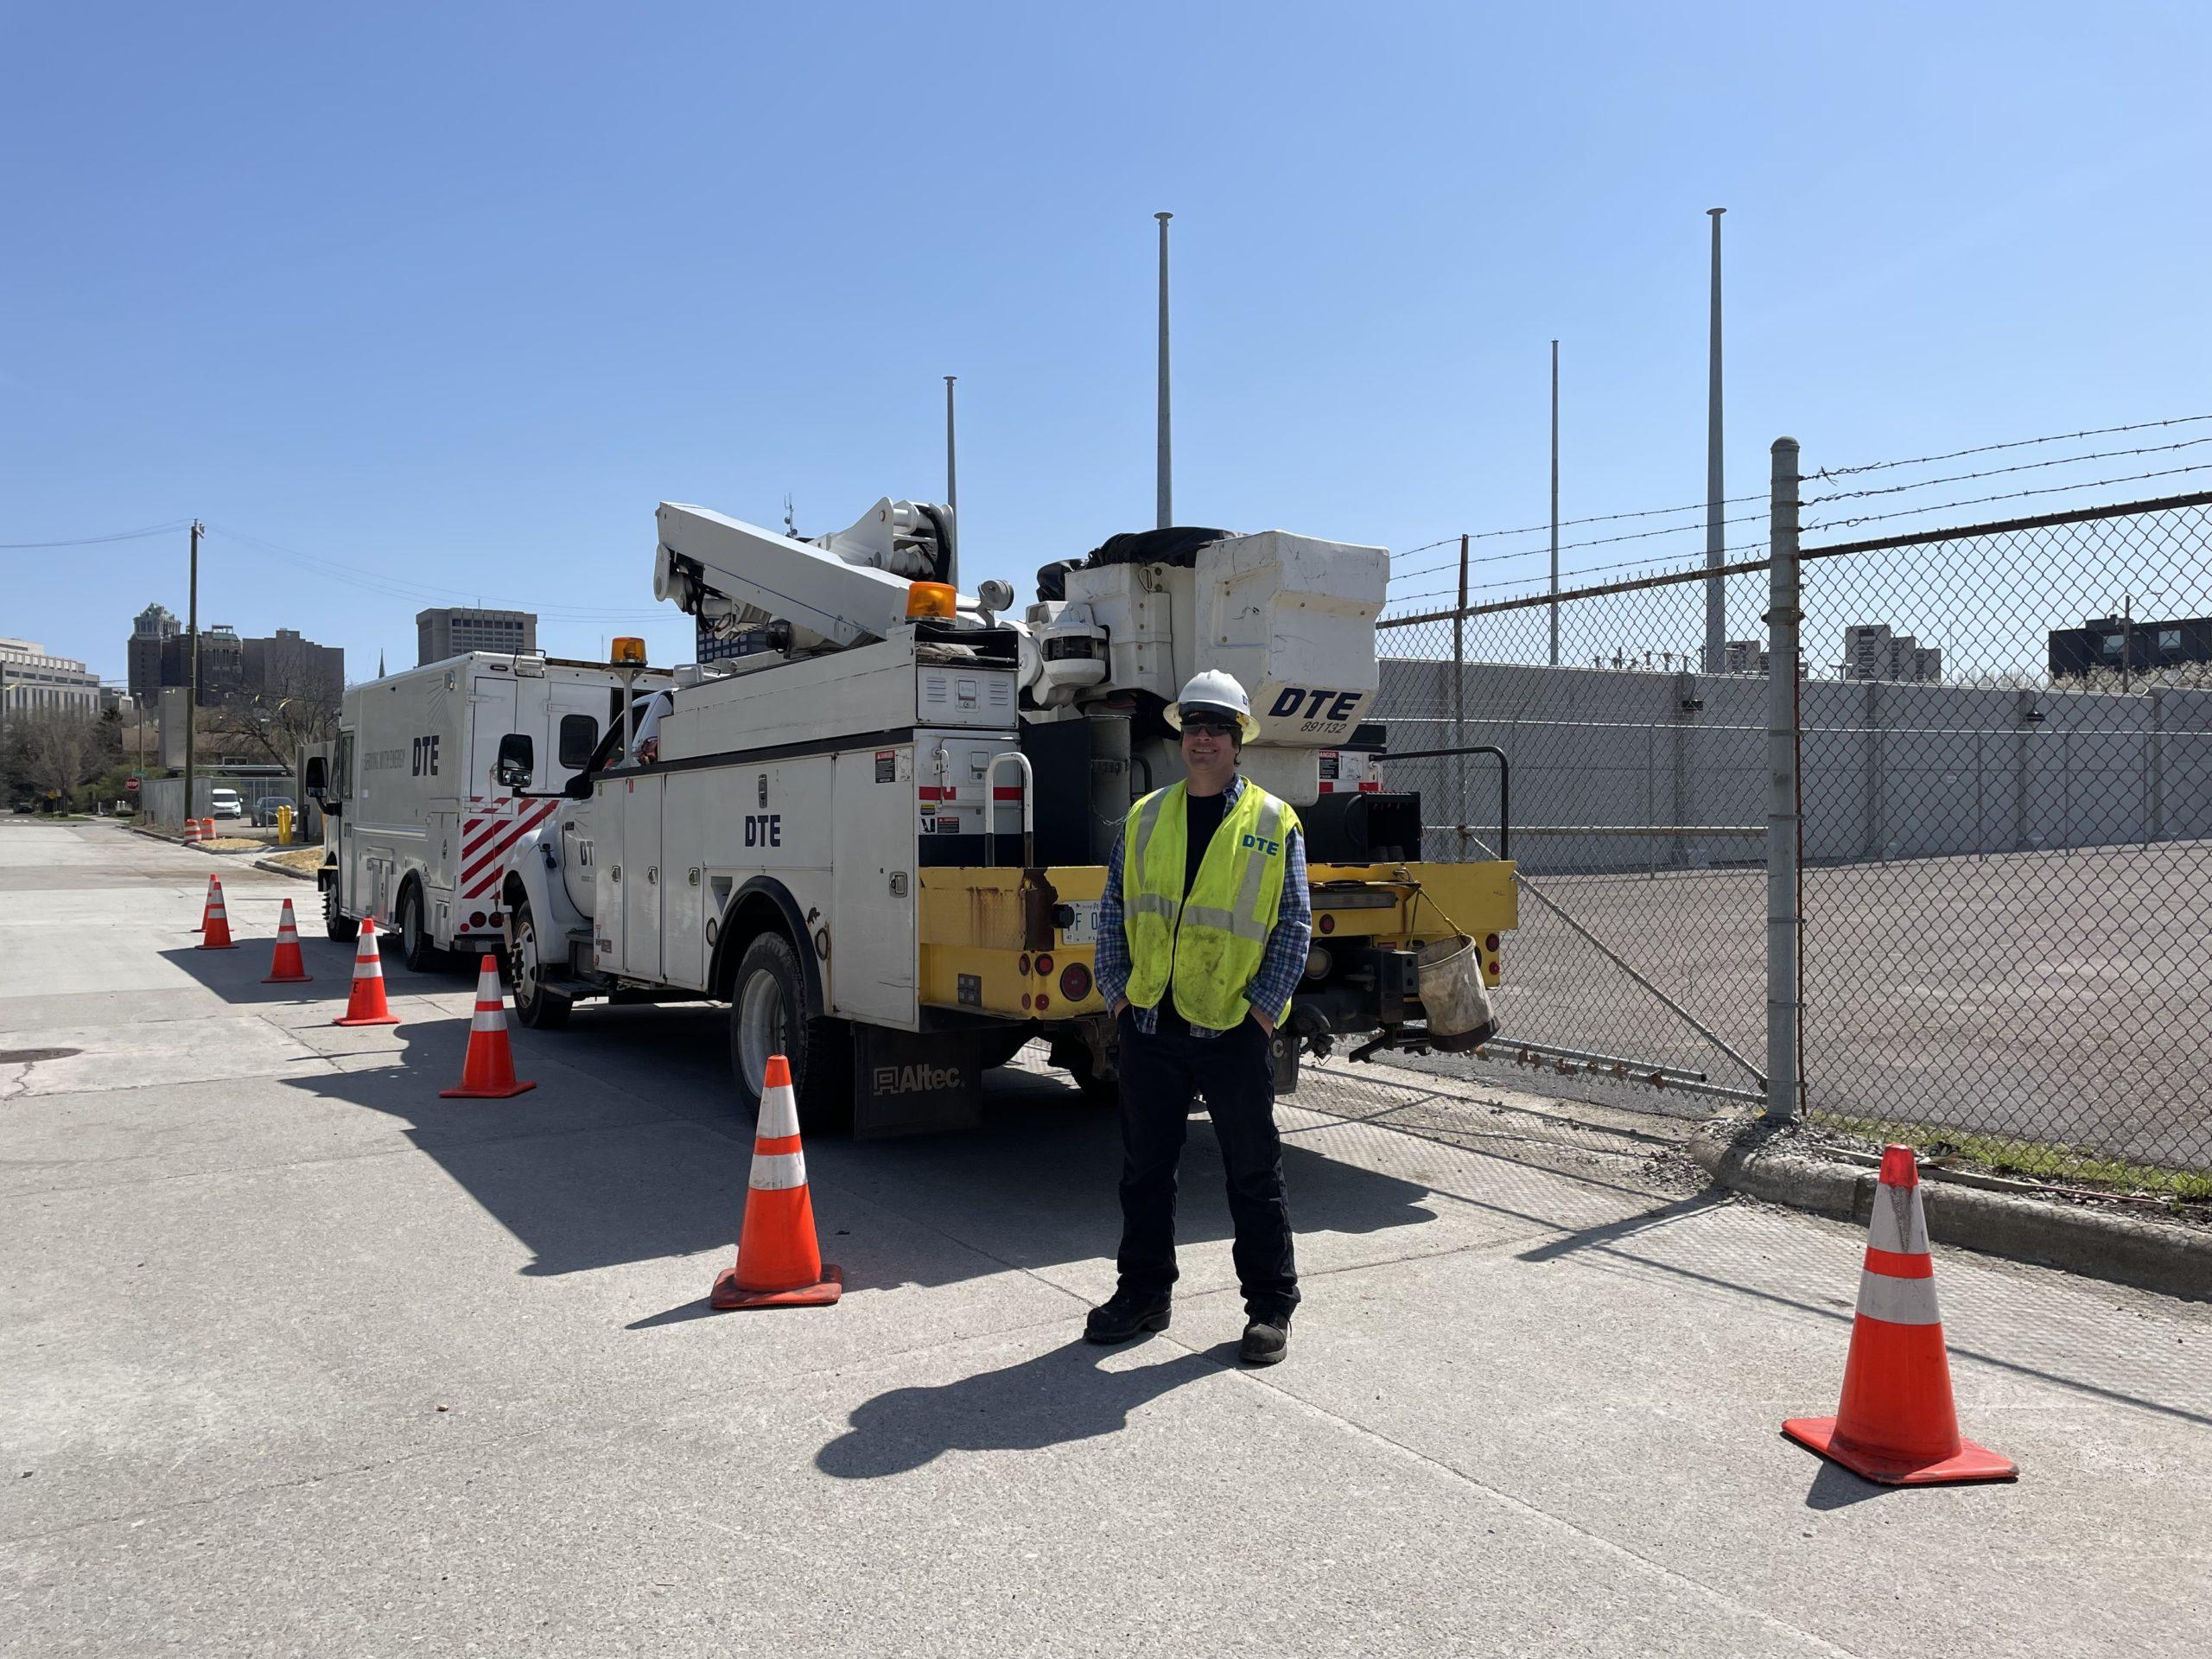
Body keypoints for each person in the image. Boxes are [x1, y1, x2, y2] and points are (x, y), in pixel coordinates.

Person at [1086, 670, 1312, 1365]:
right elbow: (1113, 913)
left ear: (1239, 739)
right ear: (1181, 737)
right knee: (1145, 1171)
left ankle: (1270, 1306)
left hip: (1231, 1030)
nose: (1203, 739)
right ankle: (1144, 1294)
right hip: (1152, 1023)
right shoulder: (1146, 816)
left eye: (1217, 727)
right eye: (1193, 727)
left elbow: (1293, 924)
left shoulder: (1274, 822)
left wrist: (1264, 1014)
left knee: (1253, 1170)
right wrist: (1119, 994)